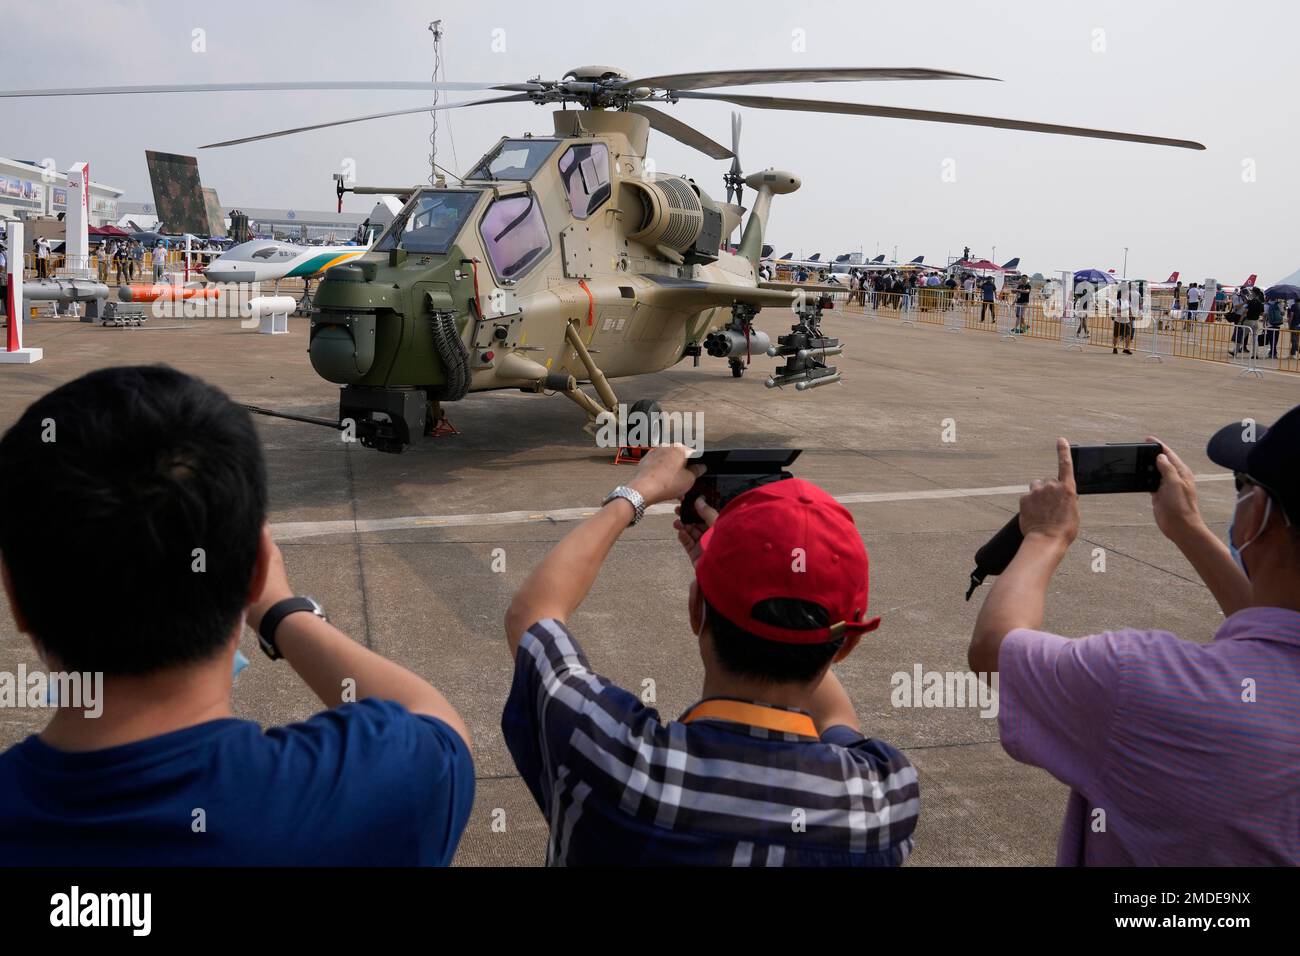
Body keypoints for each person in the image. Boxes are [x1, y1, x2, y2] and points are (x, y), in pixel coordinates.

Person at [0, 366, 475, 866]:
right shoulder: (377, 787)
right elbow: (436, 721)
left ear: (14, 597)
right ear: (255, 572)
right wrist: (280, 610)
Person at [501, 445, 919, 866]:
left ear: (694, 609)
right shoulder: (883, 797)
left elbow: (534, 614)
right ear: (847, 645)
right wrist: (727, 577)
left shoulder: (614, 760)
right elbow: (836, 722)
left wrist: (639, 491)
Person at [968, 410, 1300, 865]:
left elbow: (995, 651)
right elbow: (1276, 629)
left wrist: (1046, 536)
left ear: (1256, 517)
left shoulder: (1142, 680)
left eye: (1245, 486)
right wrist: (1188, 529)